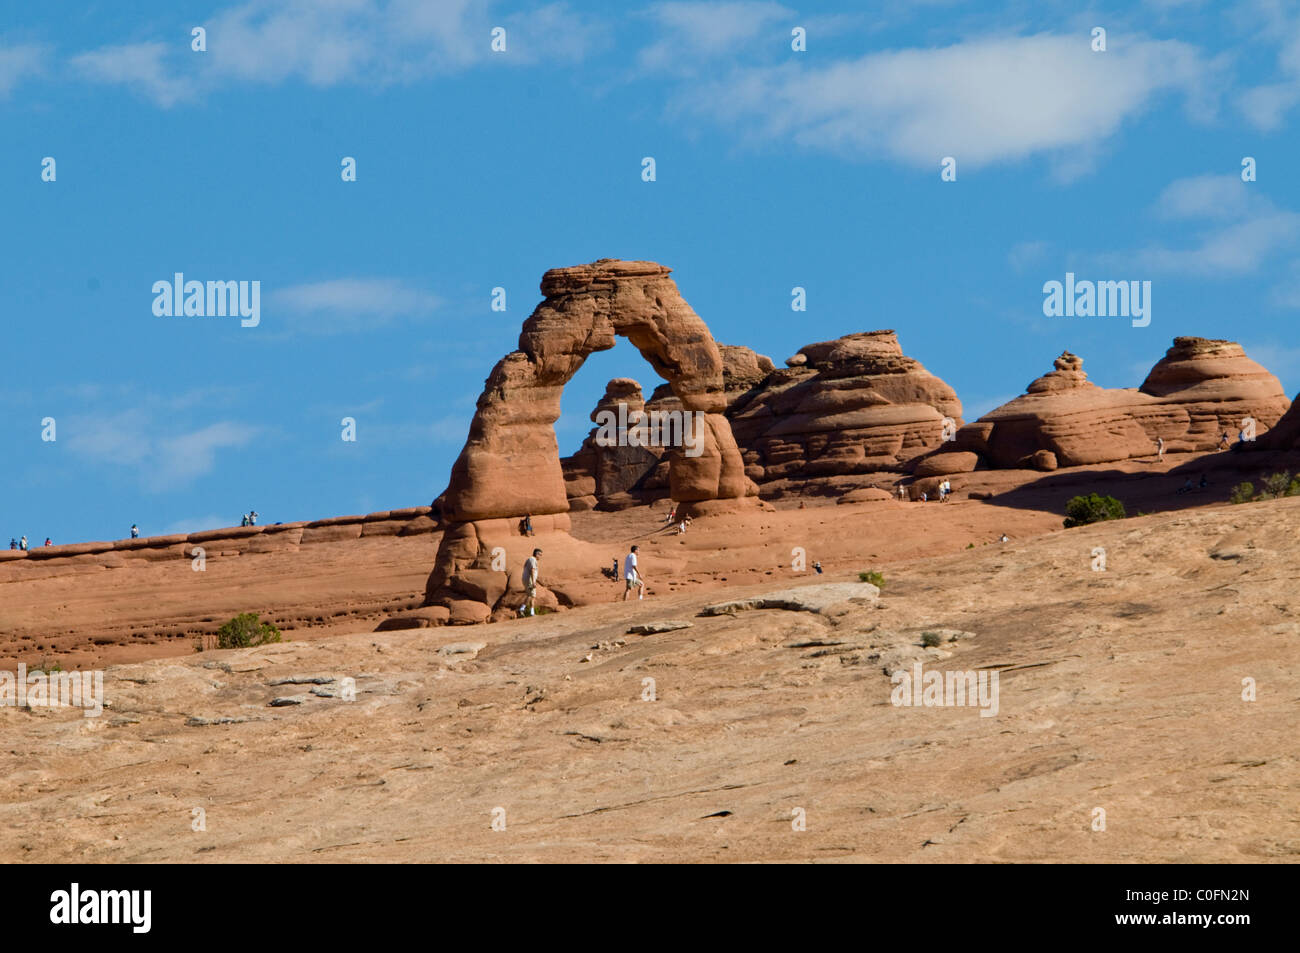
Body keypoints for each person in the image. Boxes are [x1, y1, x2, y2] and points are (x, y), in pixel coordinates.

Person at [520, 548, 542, 617]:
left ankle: (531, 612)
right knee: (531, 595)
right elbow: (532, 570)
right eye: (540, 555)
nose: (540, 557)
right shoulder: (533, 559)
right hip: (530, 580)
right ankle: (522, 609)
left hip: (526, 579)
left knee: (531, 595)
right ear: (536, 554)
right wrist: (533, 582)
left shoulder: (529, 559)